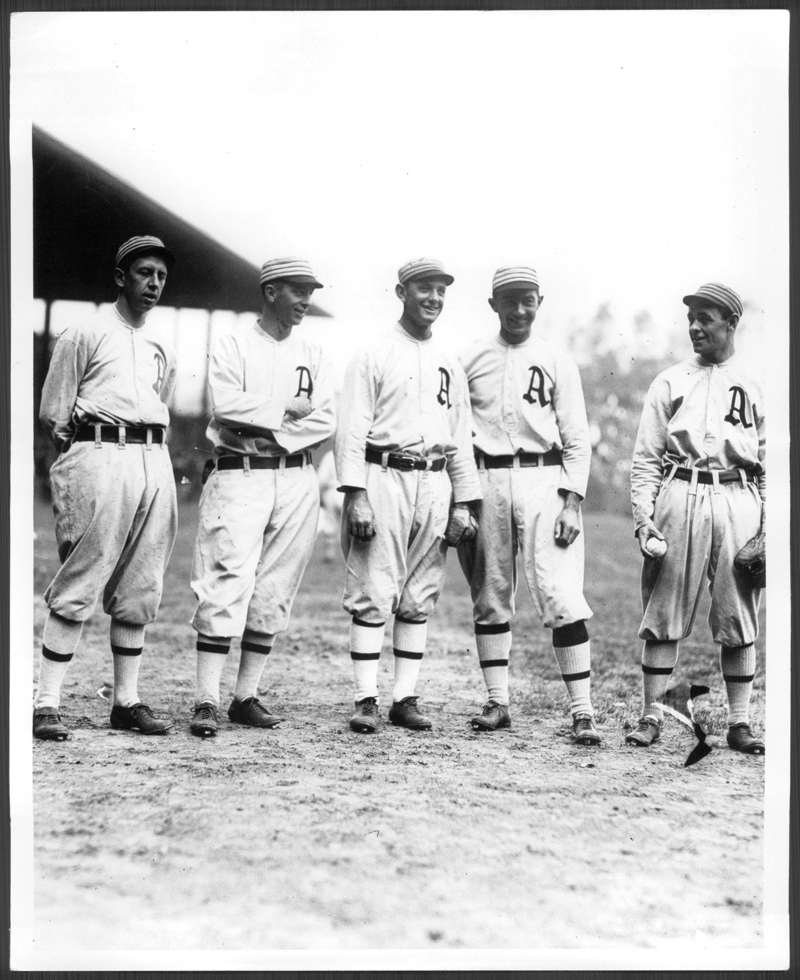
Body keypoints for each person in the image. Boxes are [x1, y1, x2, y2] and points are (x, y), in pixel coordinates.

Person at [35, 235, 178, 740]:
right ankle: (46, 701)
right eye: (144, 273)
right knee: (82, 575)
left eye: (160, 276)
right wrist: (84, 458)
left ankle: (126, 702)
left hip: (153, 457)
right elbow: (55, 411)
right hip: (100, 451)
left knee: (141, 585)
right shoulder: (87, 331)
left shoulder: (162, 345)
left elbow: (164, 400)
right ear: (121, 277)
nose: (154, 284)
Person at [188, 258, 335, 738]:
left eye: (310, 292)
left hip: (295, 476)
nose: (306, 300)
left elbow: (329, 418)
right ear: (271, 291)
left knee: (274, 588)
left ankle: (244, 696)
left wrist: (275, 430)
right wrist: (283, 412)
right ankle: (206, 699)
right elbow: (225, 406)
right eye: (297, 290)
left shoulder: (314, 350)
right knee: (226, 577)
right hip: (240, 472)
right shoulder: (233, 343)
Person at [335, 258, 481, 734]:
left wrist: (463, 502)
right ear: (402, 291)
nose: (433, 298)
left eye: (441, 290)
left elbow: (460, 437)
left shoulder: (449, 364)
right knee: (375, 587)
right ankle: (365, 698)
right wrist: (355, 494)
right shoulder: (374, 354)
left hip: (435, 480)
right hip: (384, 474)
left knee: (420, 592)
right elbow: (351, 432)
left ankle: (404, 697)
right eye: (424, 288)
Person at [457, 265, 600, 745]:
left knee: (562, 596)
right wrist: (463, 498)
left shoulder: (557, 361)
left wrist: (572, 503)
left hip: (545, 479)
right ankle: (498, 702)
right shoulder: (469, 359)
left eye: (528, 300)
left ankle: (582, 712)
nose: (519, 310)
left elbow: (578, 439)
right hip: (486, 478)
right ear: (493, 303)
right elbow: (456, 435)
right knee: (491, 594)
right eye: (510, 300)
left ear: (540, 301)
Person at [627, 282, 765, 754]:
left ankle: (740, 722)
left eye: (706, 318)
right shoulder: (669, 380)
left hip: (738, 496)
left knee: (738, 612)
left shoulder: (756, 380)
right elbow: (646, 458)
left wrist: (769, 528)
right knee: (664, 610)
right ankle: (650, 716)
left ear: (731, 324)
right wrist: (644, 518)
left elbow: (770, 465)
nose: (695, 326)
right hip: (680, 492)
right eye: (692, 318)